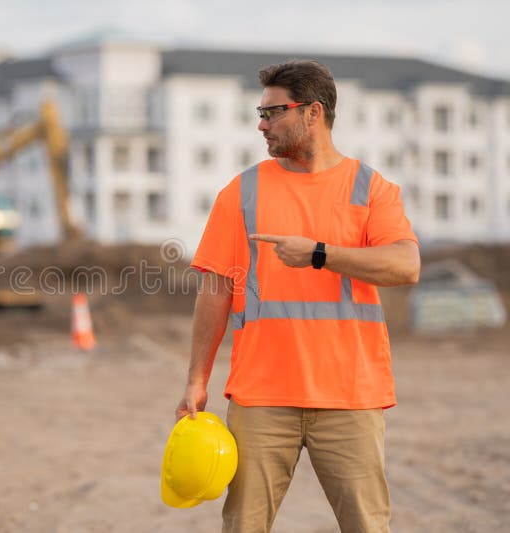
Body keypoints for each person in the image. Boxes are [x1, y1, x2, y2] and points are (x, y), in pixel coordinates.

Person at [175, 60, 420, 533]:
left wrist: (320, 255)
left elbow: (406, 266)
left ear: (313, 112)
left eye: (272, 112)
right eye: (259, 113)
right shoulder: (242, 192)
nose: (261, 124)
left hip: (350, 396)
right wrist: (196, 379)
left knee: (368, 526)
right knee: (243, 525)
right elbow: (215, 291)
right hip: (260, 397)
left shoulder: (371, 189)